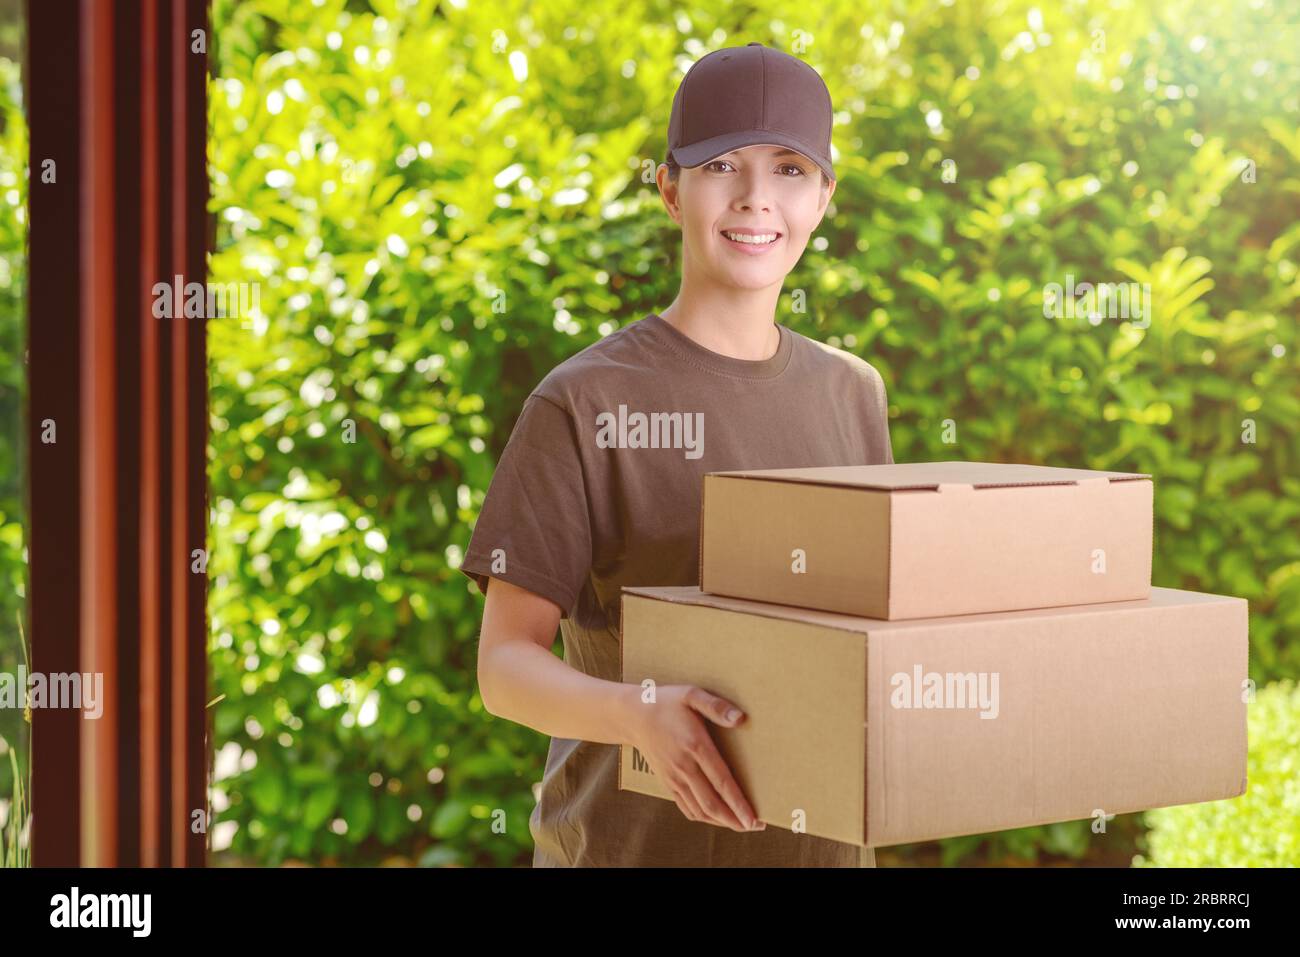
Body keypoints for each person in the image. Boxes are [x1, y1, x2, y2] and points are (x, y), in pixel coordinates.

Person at [461, 41, 893, 866]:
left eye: (790, 170)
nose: (756, 199)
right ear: (670, 189)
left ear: (825, 197)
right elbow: (505, 666)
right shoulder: (584, 402)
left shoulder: (853, 393)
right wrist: (636, 712)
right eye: (722, 165)